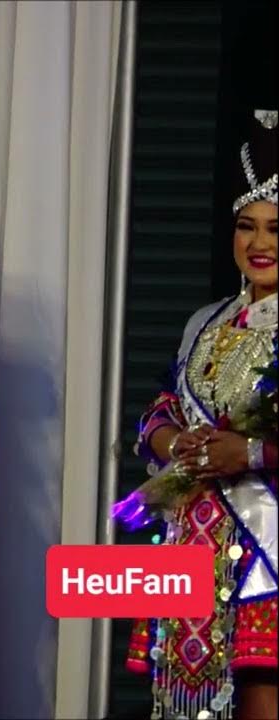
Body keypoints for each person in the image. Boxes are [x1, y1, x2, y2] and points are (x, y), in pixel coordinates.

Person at [126, 110, 278, 720]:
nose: (259, 244)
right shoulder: (206, 323)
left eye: (276, 229)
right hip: (196, 544)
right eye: (247, 227)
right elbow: (162, 405)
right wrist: (170, 440)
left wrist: (252, 452)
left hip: (267, 550)